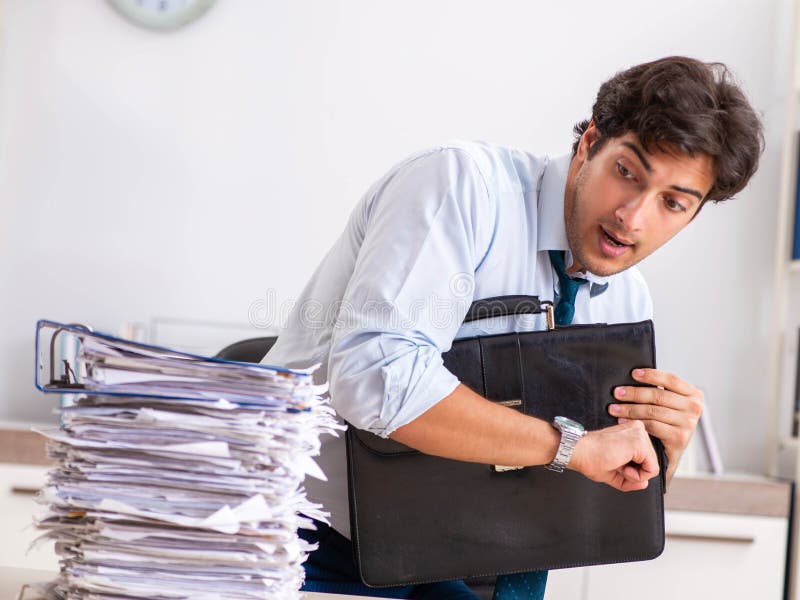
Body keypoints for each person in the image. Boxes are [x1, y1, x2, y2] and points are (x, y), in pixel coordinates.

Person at [262, 56, 764, 599]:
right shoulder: (461, 188)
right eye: (627, 173)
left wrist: (658, 454)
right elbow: (376, 379)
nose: (633, 216)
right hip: (298, 540)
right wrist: (570, 445)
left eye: (672, 203)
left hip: (447, 560)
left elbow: (592, 492)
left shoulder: (625, 297)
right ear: (589, 143)